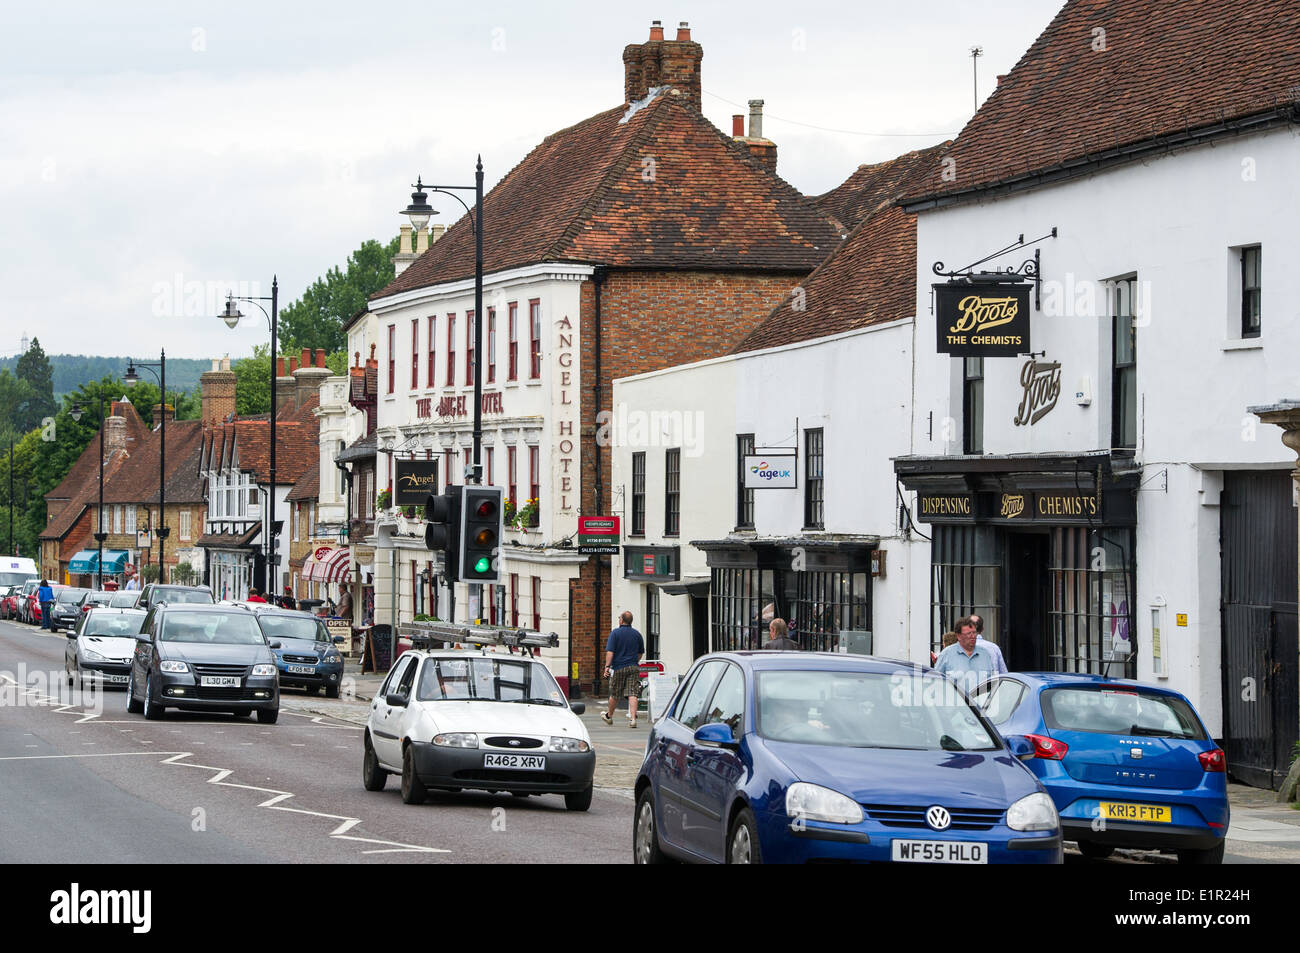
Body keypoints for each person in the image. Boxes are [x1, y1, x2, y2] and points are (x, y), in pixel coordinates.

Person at [602, 610, 645, 728]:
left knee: (615, 693)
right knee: (633, 693)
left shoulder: (615, 633)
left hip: (619, 667)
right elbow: (640, 653)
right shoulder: (637, 634)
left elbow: (610, 652)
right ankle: (632, 719)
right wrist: (633, 661)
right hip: (633, 666)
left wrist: (607, 667)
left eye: (619, 618)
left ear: (621, 620)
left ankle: (609, 716)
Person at [933, 621, 998, 693]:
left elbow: (993, 683)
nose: (972, 636)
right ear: (958, 636)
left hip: (981, 703)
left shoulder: (985, 654)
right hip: (955, 703)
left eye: (974, 633)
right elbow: (936, 683)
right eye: (968, 633)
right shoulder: (946, 654)